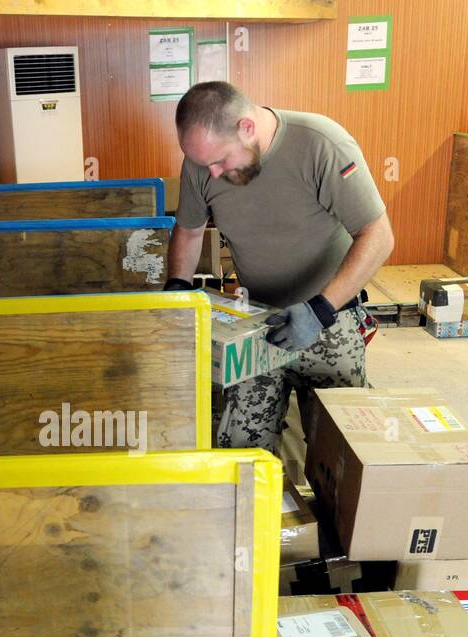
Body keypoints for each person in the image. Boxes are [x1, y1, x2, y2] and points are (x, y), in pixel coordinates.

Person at [164, 81, 394, 454]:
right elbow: (189, 232)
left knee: (344, 454)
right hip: (256, 326)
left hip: (330, 317)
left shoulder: (321, 144)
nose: (215, 173)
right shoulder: (201, 164)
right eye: (206, 165)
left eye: (220, 160)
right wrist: (176, 289)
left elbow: (378, 236)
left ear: (247, 128)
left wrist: (319, 310)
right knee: (239, 452)